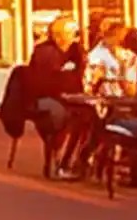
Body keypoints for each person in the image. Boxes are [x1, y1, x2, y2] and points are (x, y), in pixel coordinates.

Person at [26, 15, 88, 179]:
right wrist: (64, 94)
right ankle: (58, 163)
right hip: (44, 97)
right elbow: (43, 82)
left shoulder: (76, 50)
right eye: (73, 32)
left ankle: (79, 161)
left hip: (72, 97)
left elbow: (81, 74)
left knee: (90, 118)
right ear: (59, 35)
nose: (76, 36)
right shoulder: (44, 52)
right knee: (64, 117)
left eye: (76, 32)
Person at [86, 19, 136, 97]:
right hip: (104, 101)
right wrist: (95, 80)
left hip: (125, 100)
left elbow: (132, 87)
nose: (122, 39)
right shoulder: (95, 55)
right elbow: (89, 87)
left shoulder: (128, 55)